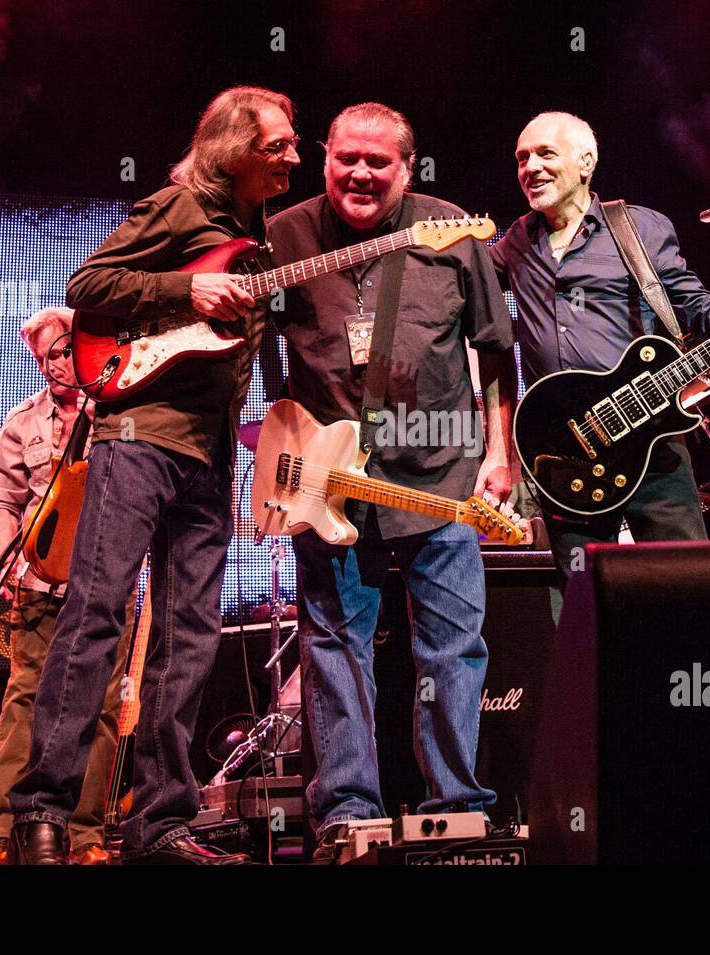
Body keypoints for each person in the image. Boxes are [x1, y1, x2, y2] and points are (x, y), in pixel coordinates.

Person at [7, 85, 299, 865]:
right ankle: (41, 812)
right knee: (98, 612)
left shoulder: (260, 233)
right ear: (235, 148)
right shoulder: (175, 209)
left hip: (208, 453)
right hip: (138, 437)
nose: (293, 155)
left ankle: (160, 822)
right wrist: (184, 287)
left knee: (189, 635)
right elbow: (87, 288)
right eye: (279, 144)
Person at [266, 103, 518, 862]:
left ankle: (458, 806)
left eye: (379, 161)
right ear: (325, 158)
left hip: (439, 479)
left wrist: (497, 450)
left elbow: (496, 350)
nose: (361, 173)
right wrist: (279, 444)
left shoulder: (453, 231)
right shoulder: (286, 236)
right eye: (347, 157)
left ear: (408, 166)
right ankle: (346, 810)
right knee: (335, 645)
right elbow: (248, 342)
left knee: (453, 646)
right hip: (327, 483)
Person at [490, 111, 710, 589]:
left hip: (652, 440)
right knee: (588, 603)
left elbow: (702, 309)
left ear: (586, 163)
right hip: (563, 453)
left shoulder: (638, 228)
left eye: (546, 154)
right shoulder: (514, 244)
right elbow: (466, 309)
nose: (531, 167)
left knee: (685, 589)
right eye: (522, 158)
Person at [0, 306, 130, 866]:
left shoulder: (119, 414)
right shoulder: (22, 423)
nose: (57, 366)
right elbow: (5, 505)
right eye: (47, 358)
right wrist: (7, 565)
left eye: (65, 352)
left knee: (104, 704)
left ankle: (85, 838)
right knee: (23, 700)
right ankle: (2, 836)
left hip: (105, 581)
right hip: (39, 584)